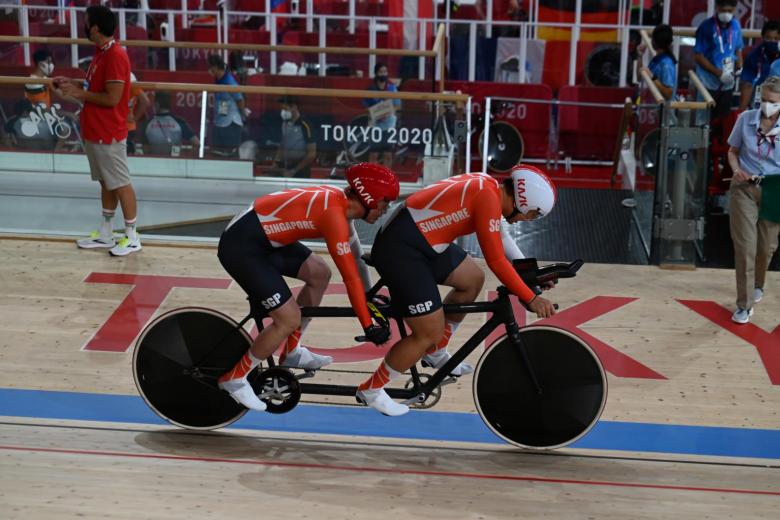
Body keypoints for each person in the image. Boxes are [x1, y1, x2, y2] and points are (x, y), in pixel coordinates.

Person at [358, 166, 558, 416]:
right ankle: (372, 390)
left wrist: (531, 277)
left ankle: (436, 352)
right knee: (427, 332)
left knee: (472, 279)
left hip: (422, 240)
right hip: (402, 250)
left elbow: (503, 239)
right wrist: (530, 297)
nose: (527, 219)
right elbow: (496, 260)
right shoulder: (487, 198)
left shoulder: (490, 189)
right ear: (523, 200)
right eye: (532, 214)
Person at [216, 163, 399, 411]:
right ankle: (235, 379)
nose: (385, 210)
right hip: (242, 248)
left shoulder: (344, 210)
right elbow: (350, 279)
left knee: (320, 273)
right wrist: (367, 323)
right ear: (367, 198)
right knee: (287, 319)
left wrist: (369, 297)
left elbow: (356, 259)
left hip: (264, 239)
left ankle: (291, 351)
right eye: (384, 203)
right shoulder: (334, 217)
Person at [56, 4, 140, 256]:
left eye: (85, 20)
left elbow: (113, 98)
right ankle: (106, 233)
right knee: (106, 182)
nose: (83, 24)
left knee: (121, 183)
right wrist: (73, 85)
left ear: (94, 27)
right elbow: (94, 89)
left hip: (109, 131)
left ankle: (133, 236)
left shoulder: (115, 55)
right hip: (95, 130)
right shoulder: (101, 52)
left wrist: (80, 93)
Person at [726, 75, 780, 324]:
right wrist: (736, 169)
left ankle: (759, 282)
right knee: (745, 246)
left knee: (765, 247)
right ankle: (744, 305)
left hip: (774, 189)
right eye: (764, 100)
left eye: (773, 102)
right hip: (744, 187)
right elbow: (733, 151)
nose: (767, 106)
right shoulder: (745, 119)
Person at [694, 0, 744, 120]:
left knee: (722, 121)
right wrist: (719, 73)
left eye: (730, 11)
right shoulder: (706, 27)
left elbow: (738, 49)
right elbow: (698, 56)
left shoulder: (736, 25)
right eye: (723, 10)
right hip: (707, 83)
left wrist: (740, 65)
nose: (726, 13)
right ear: (717, 8)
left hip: (727, 83)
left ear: (734, 9)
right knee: (703, 121)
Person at [207, 54, 246, 157]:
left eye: (210, 67)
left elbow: (240, 100)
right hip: (220, 123)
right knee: (216, 155)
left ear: (215, 67)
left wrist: (243, 115)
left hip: (231, 124)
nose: (209, 70)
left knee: (230, 156)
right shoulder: (218, 79)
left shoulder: (229, 81)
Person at [363, 63, 400, 166]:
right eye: (381, 72)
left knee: (387, 155)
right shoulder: (371, 89)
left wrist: (387, 113)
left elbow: (397, 105)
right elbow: (365, 106)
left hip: (389, 126)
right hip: (375, 126)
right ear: (376, 73)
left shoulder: (392, 88)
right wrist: (375, 114)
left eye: (385, 72)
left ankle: (387, 179)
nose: (383, 74)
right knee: (373, 155)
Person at [142, 91, 200, 156]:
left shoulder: (148, 124)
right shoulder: (179, 122)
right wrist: (185, 159)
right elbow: (197, 143)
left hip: (154, 163)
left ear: (157, 104)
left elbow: (145, 149)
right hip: (175, 163)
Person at [739, 20, 780, 111]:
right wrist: (741, 112)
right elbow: (747, 84)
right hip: (759, 102)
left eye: (776, 38)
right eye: (768, 38)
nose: (772, 41)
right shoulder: (754, 56)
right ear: (762, 38)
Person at [271, 95, 316, 178]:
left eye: (285, 109)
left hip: (301, 171)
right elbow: (282, 145)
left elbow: (312, 154)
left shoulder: (305, 125)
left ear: (294, 107)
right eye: (282, 109)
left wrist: (294, 170)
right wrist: (276, 163)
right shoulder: (284, 123)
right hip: (286, 167)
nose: (283, 112)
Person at [640, 24, 677, 100]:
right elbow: (639, 77)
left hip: (662, 110)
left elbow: (668, 93)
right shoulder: (656, 59)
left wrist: (652, 77)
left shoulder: (667, 64)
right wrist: (639, 55)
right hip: (649, 108)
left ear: (655, 42)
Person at [126, 72, 150, 154]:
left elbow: (145, 101)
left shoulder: (130, 80)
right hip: (125, 126)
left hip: (126, 127)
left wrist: (135, 118)